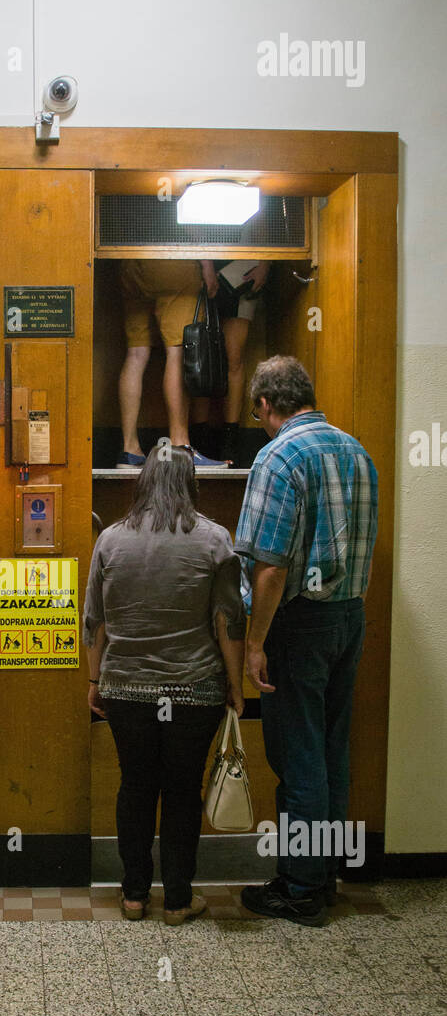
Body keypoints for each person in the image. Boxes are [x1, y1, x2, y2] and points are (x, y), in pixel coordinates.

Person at [234, 356, 378, 927]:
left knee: (298, 756)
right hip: (349, 617)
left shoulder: (279, 456)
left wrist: (254, 642)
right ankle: (325, 873)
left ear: (267, 405)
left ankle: (298, 886)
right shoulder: (356, 451)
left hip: (299, 622)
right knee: (330, 750)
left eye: (258, 413)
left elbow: (269, 569)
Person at [84, 445, 246, 923]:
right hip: (195, 689)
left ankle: (134, 895)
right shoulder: (216, 540)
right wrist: (235, 688)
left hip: (126, 688)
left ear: (144, 481)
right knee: (181, 791)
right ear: (191, 483)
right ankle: (177, 899)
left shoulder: (110, 541)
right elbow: (228, 621)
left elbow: (95, 621)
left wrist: (95, 679)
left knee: (135, 787)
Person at [117, 259, 230, 469]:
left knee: (136, 354)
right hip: (172, 262)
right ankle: (180, 445)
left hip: (131, 263)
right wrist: (207, 264)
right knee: (177, 351)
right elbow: (193, 226)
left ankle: (129, 449)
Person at [202, 259, 272, 465]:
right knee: (201, 355)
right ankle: (200, 438)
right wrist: (205, 264)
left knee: (234, 358)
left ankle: (229, 441)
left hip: (242, 268)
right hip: (203, 264)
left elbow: (267, 229)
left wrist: (265, 265)